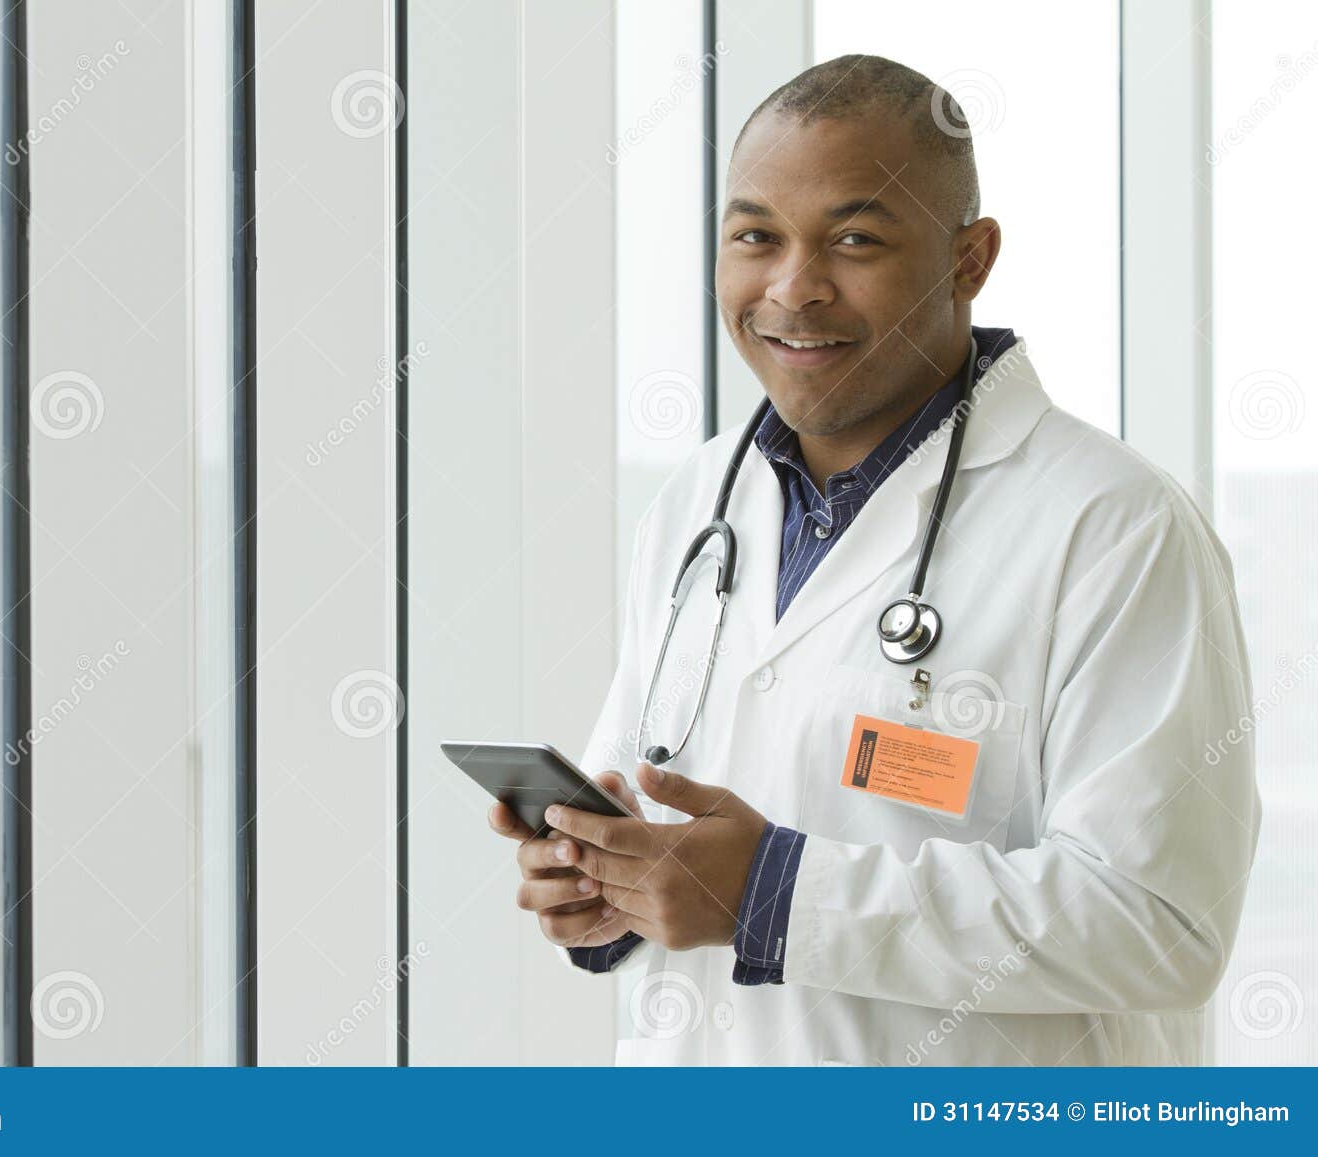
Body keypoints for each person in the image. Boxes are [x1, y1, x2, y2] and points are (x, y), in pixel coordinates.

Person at [487, 54, 1259, 1066]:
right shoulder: (698, 502)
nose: (793, 287)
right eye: (754, 236)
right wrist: (604, 892)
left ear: (967, 259)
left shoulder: (1115, 527)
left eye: (854, 239)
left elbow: (1161, 921)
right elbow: (655, 806)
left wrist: (770, 891)